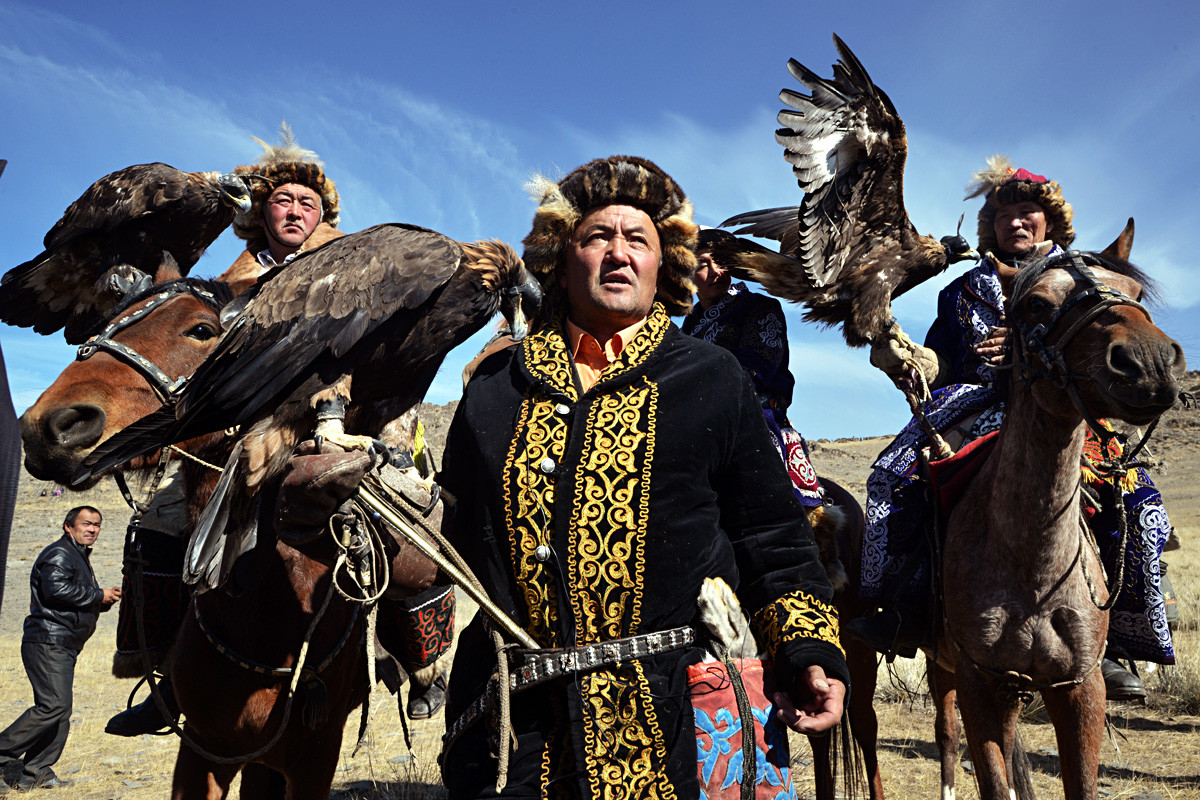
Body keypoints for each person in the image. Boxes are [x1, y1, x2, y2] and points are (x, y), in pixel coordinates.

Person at [433, 156, 848, 797]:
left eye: (639, 240)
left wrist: (809, 653)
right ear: (560, 259)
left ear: (665, 266)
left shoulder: (712, 377)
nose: (618, 254)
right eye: (597, 236)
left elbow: (772, 537)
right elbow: (453, 541)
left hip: (681, 722)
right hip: (519, 728)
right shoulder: (494, 391)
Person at [852, 156, 1175, 700]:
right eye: (1005, 214)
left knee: (1142, 503)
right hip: (972, 404)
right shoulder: (959, 292)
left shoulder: (1084, 276)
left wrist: (1025, 349)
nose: (1017, 222)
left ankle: (1118, 637)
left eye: (1029, 212)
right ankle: (899, 606)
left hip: (1059, 407)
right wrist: (909, 359)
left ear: (1050, 222)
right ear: (991, 226)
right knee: (890, 478)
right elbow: (944, 359)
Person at [0, 507, 120, 792]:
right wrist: (97, 595)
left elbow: (66, 595)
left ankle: (37, 771)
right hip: (47, 642)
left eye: (97, 525)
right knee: (53, 706)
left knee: (60, 710)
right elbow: (54, 590)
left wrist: (100, 601)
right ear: (68, 526)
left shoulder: (76, 554)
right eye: (86, 523)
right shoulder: (60, 553)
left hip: (63, 644)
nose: (92, 529)